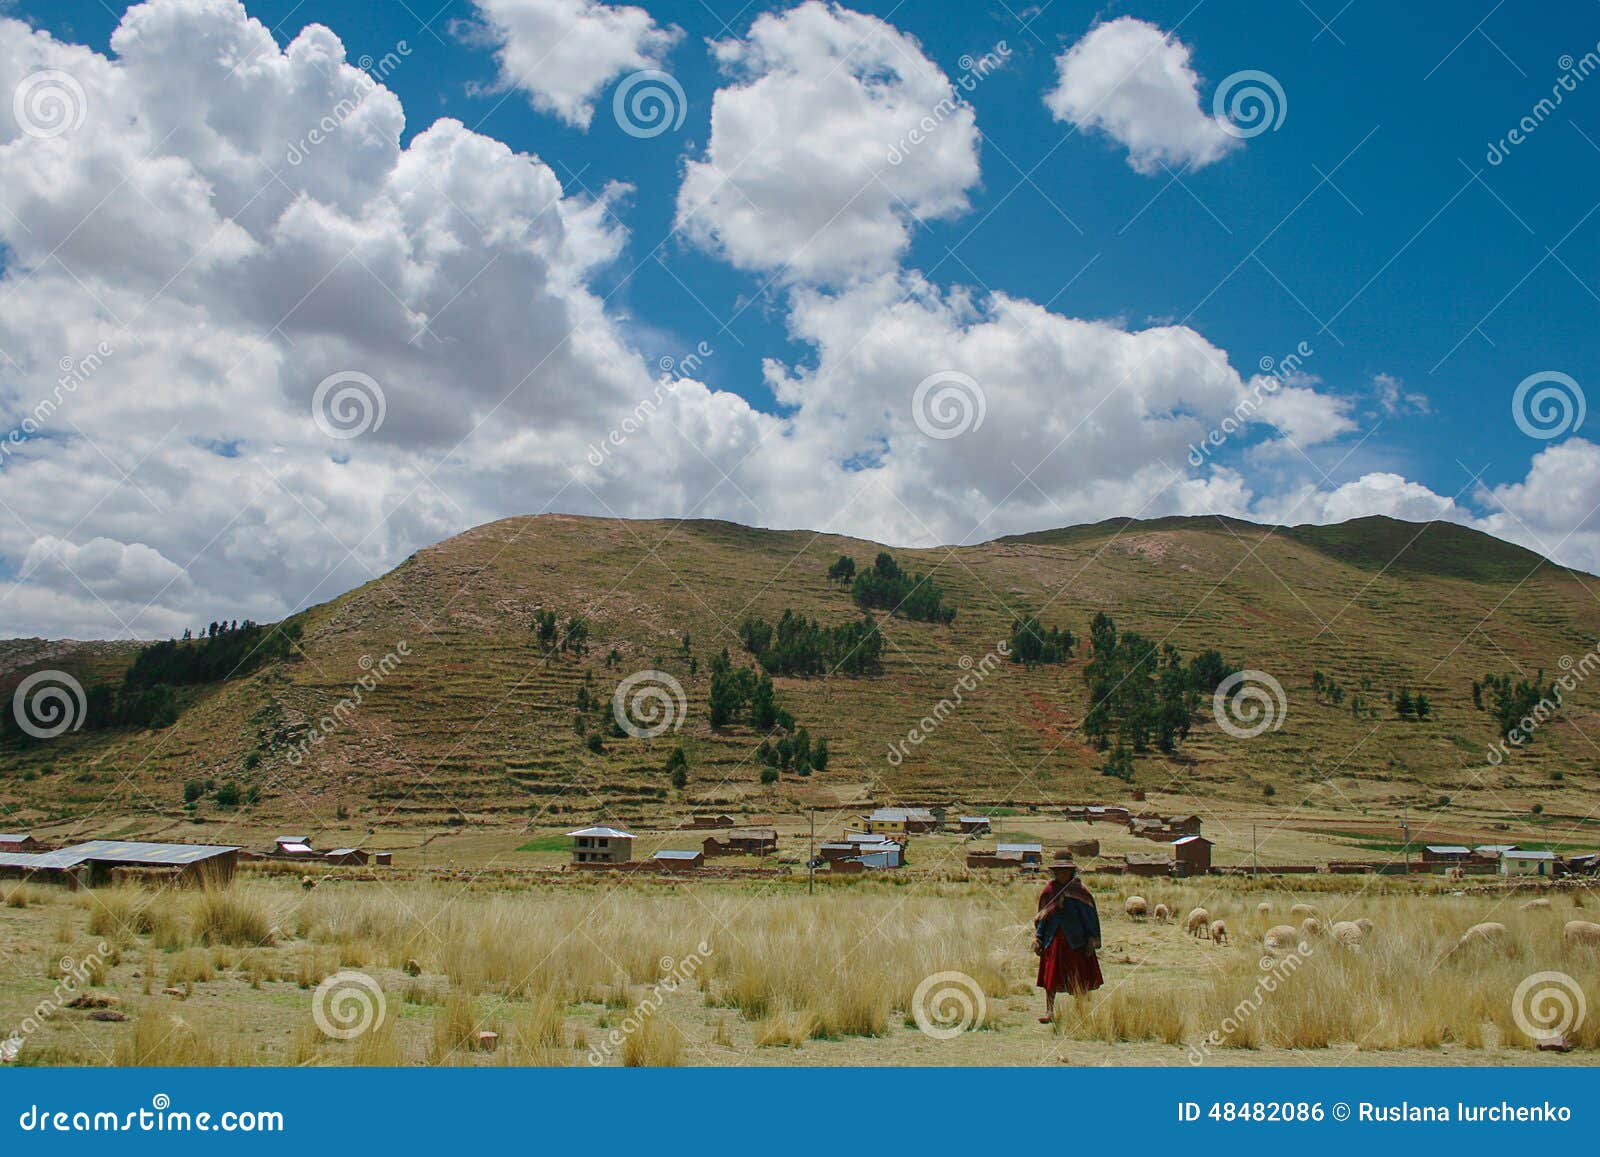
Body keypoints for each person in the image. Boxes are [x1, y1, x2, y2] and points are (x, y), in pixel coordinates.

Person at [1033, 851, 1103, 1022]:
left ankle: (1080, 1011)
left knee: (1079, 976)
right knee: (1051, 978)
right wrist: (1038, 937)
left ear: (1071, 871)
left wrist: (1092, 938)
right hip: (1054, 940)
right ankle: (1049, 1011)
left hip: (1076, 941)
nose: (1062, 874)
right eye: (1059, 871)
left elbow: (1090, 916)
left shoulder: (1080, 891)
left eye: (1065, 870)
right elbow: (1042, 916)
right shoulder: (1049, 891)